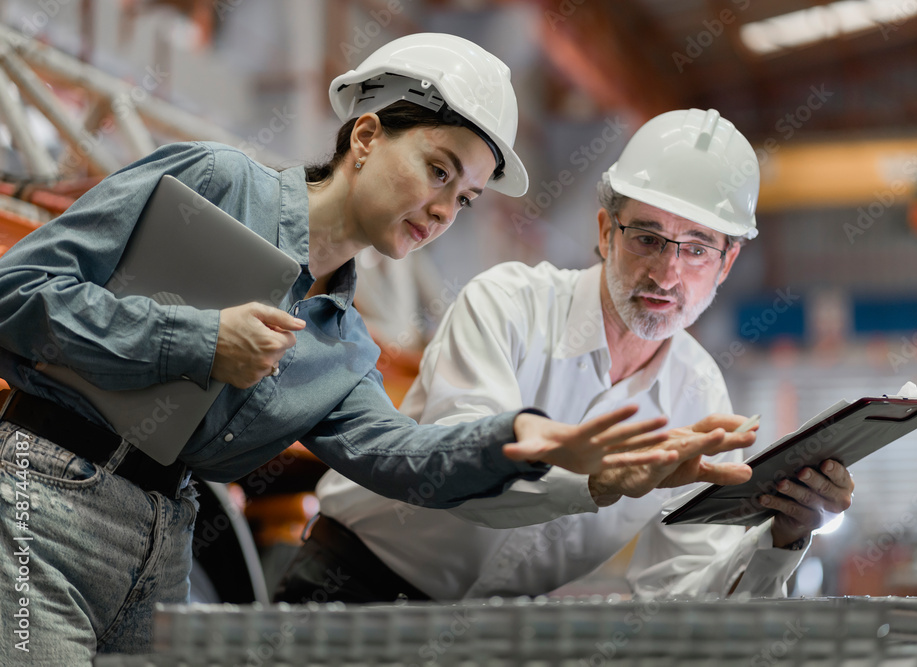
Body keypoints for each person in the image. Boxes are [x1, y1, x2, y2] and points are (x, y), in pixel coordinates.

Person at [0, 34, 719, 664]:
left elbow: (409, 463)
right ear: (367, 135)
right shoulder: (218, 184)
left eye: (465, 198)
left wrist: (529, 441)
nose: (443, 211)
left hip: (164, 545)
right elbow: (16, 290)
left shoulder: (342, 350)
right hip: (48, 501)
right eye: (439, 170)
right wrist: (199, 341)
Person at [276, 108, 856, 604]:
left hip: (498, 633)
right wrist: (596, 480)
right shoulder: (506, 307)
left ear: (725, 264)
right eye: (647, 237)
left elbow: (678, 590)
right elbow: (463, 474)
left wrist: (780, 539)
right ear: (606, 232)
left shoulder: (698, 398)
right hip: (350, 583)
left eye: (698, 248)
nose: (666, 272)